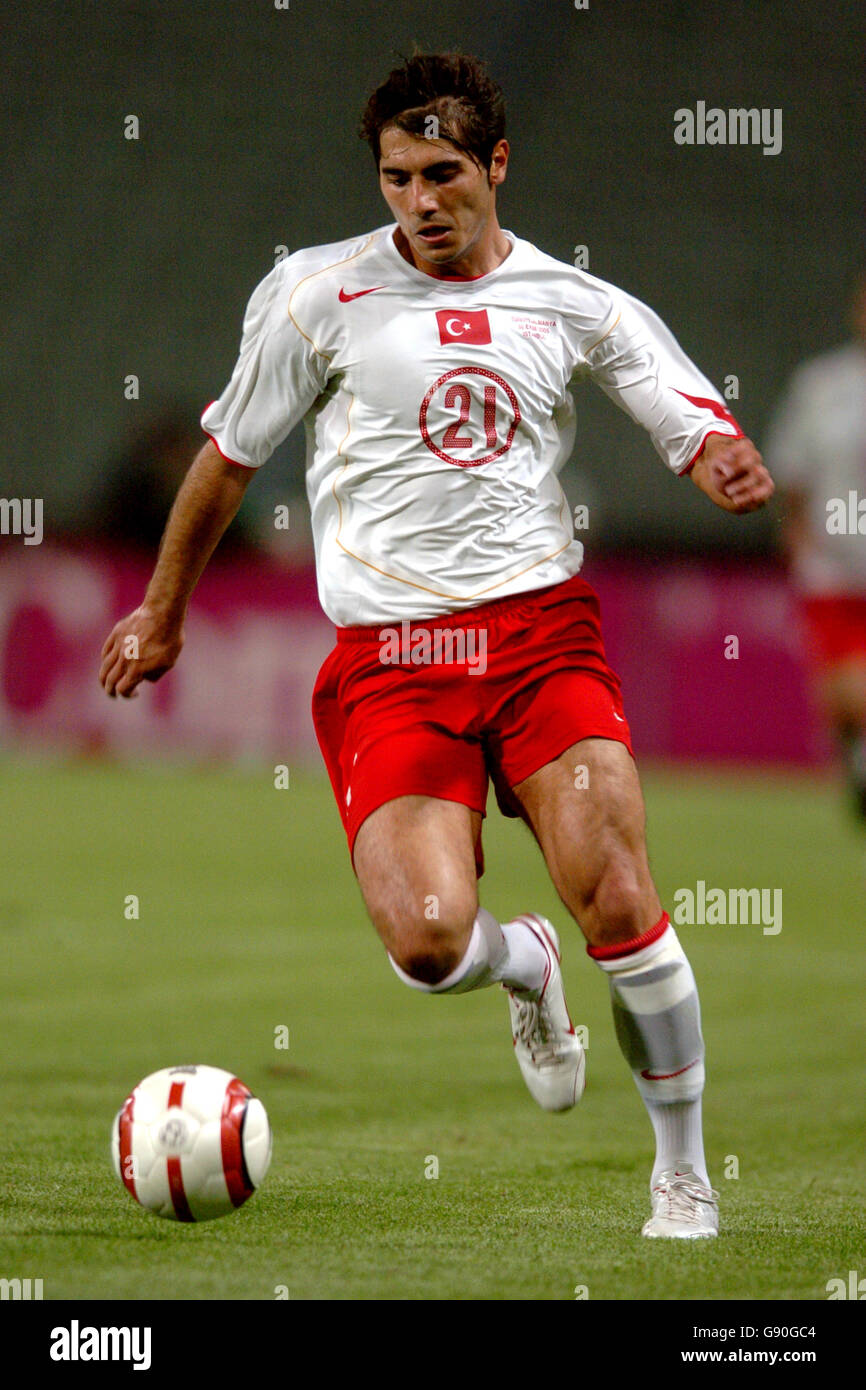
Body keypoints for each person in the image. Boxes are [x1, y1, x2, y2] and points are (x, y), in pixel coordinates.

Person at [99, 52, 773, 1239]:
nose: (419, 200)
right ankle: (520, 966)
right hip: (391, 659)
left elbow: (684, 410)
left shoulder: (574, 302)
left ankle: (681, 1170)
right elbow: (225, 461)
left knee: (616, 896)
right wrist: (163, 610)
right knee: (423, 943)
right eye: (397, 176)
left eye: (443, 173)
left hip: (536, 637)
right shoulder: (315, 295)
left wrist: (713, 454)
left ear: (496, 166)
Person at [765, 266, 866, 821]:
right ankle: (856, 763)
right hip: (831, 567)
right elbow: (794, 476)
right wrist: (798, 546)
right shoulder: (821, 385)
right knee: (841, 702)